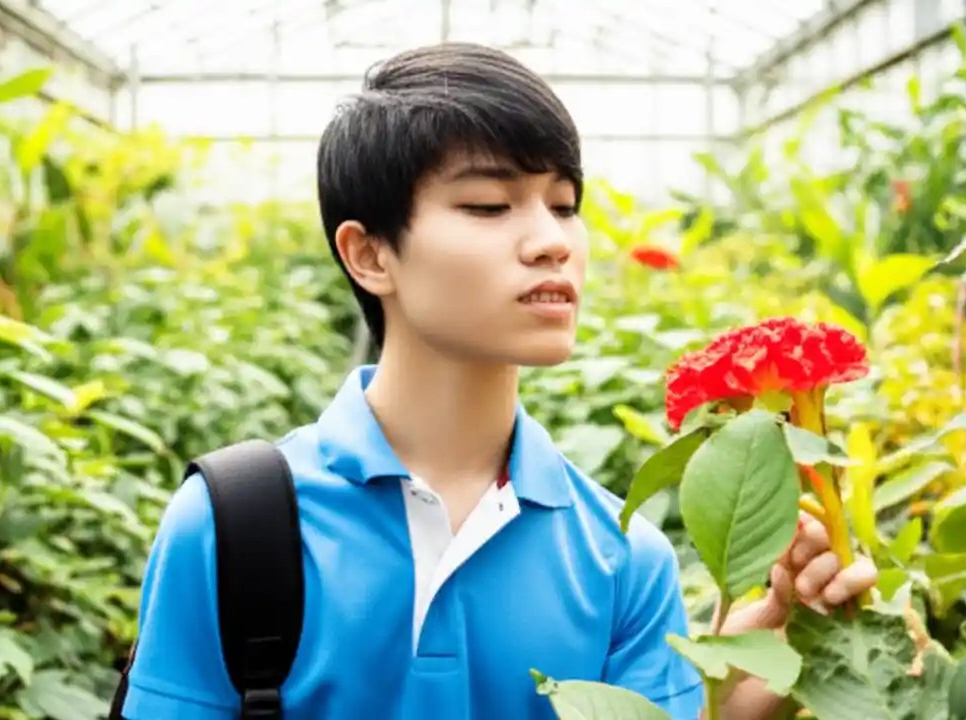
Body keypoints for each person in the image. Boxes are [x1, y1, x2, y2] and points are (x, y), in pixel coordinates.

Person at [117, 42, 878, 720]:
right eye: (488, 205)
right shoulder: (234, 527)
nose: (551, 242)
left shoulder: (622, 562)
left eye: (564, 205)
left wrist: (732, 694)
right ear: (370, 254)